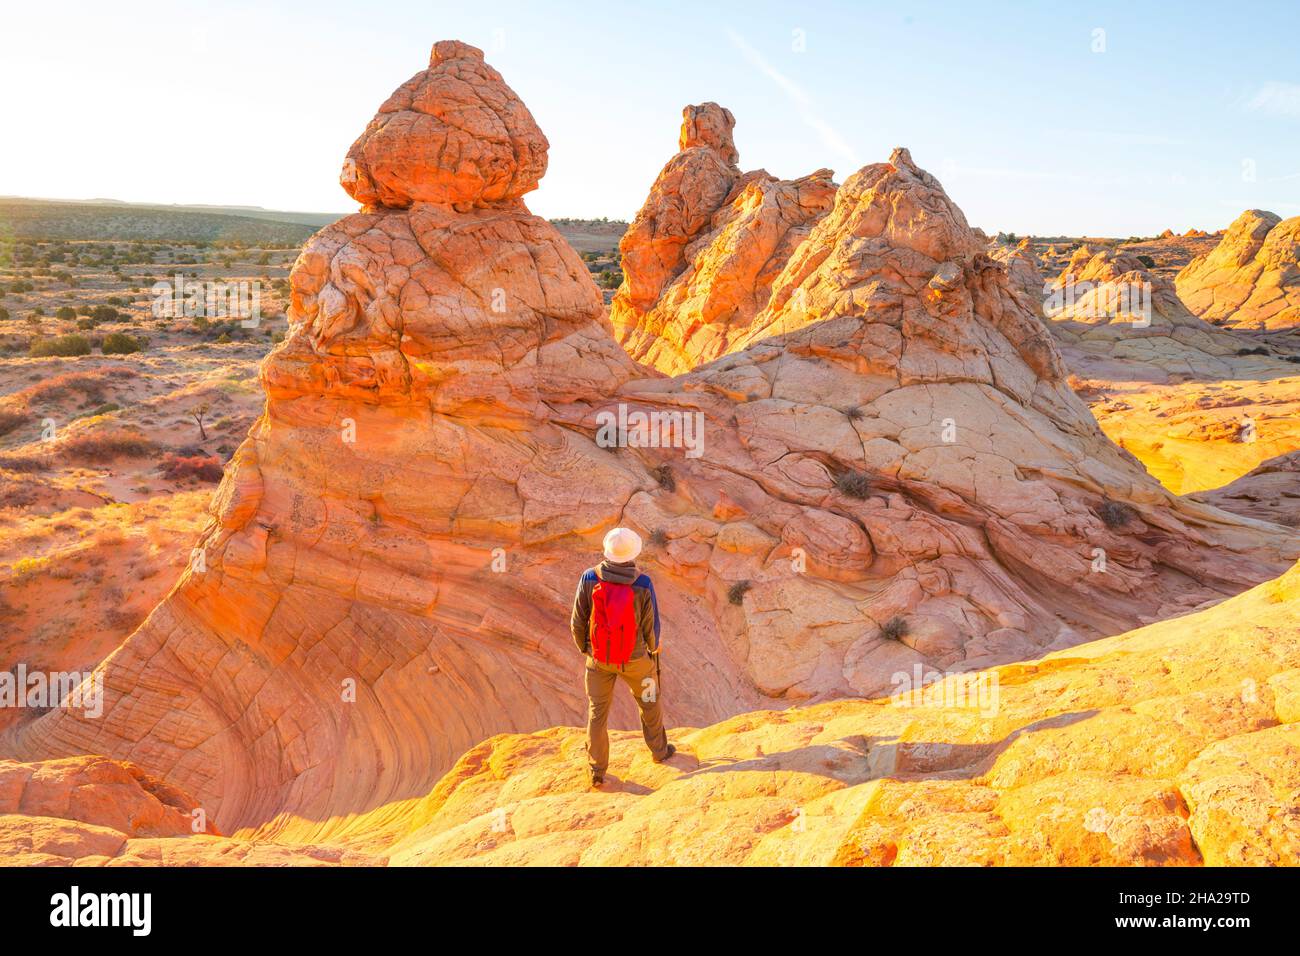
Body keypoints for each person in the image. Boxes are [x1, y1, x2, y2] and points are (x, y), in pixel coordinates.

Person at [570, 527, 675, 786]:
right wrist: (653, 648)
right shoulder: (642, 583)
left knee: (597, 712)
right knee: (649, 701)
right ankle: (660, 752)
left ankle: (597, 770)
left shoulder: (588, 578)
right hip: (636, 660)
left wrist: (588, 650)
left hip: (599, 660)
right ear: (633, 553)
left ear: (607, 550)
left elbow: (577, 622)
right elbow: (651, 626)